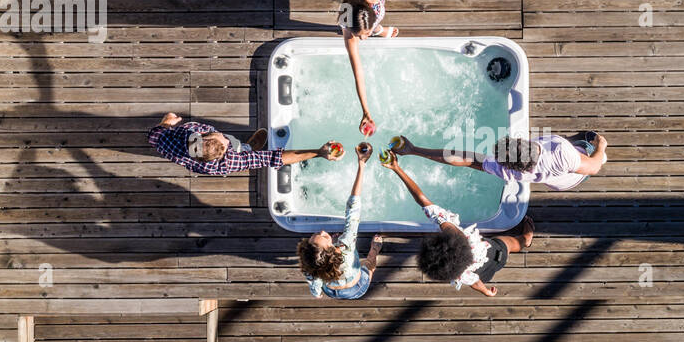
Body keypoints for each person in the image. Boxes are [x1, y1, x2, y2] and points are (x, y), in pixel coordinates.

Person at [382, 150, 533, 297]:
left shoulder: (459, 273)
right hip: (493, 250)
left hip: (483, 273)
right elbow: (421, 198)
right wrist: (397, 168)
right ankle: (526, 239)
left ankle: (524, 241)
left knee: (503, 251)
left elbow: (476, 283)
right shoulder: (451, 229)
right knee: (513, 243)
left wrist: (487, 292)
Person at [296, 142, 383, 300]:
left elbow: (314, 283)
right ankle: (375, 250)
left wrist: (317, 294)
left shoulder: (311, 268)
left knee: (320, 279)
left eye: (316, 234)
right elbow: (353, 209)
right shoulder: (346, 247)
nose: (323, 231)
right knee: (369, 265)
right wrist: (361, 164)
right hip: (358, 285)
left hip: (332, 290)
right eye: (324, 237)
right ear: (332, 250)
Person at [393, 131, 608, 191]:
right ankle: (590, 143)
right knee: (589, 143)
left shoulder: (508, 171)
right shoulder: (561, 151)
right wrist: (601, 146)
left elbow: (464, 158)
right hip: (574, 174)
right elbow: (594, 167)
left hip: (556, 180)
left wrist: (414, 150)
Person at [147, 112, 336, 176]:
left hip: (186, 149)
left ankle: (248, 147)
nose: (222, 134)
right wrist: (318, 152)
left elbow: (153, 137)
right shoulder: (230, 161)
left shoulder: (175, 140)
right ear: (223, 153)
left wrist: (166, 123)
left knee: (234, 144)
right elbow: (274, 158)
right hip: (234, 154)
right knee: (240, 148)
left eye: (216, 134)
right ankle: (249, 148)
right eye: (221, 136)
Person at [338, 0, 397, 137]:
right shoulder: (347, 24)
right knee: (370, 26)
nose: (362, 40)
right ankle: (378, 28)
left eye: (366, 34)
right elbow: (359, 76)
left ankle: (383, 0)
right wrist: (366, 111)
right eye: (359, 35)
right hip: (359, 4)